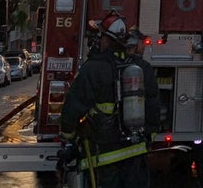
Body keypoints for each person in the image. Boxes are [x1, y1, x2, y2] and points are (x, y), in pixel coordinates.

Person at [59, 12, 161, 187]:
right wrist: (149, 135)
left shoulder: (91, 69)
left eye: (101, 35)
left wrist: (68, 136)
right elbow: (153, 105)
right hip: (136, 152)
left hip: (103, 155)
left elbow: (73, 106)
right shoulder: (143, 68)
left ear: (106, 39)